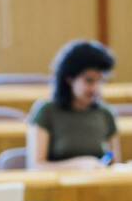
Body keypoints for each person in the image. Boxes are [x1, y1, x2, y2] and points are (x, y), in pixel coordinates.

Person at [27, 40, 122, 169]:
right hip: (56, 188)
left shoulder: (105, 114)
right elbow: (36, 166)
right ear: (69, 79)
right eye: (89, 81)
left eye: (100, 81)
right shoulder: (46, 112)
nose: (96, 88)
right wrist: (79, 165)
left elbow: (114, 163)